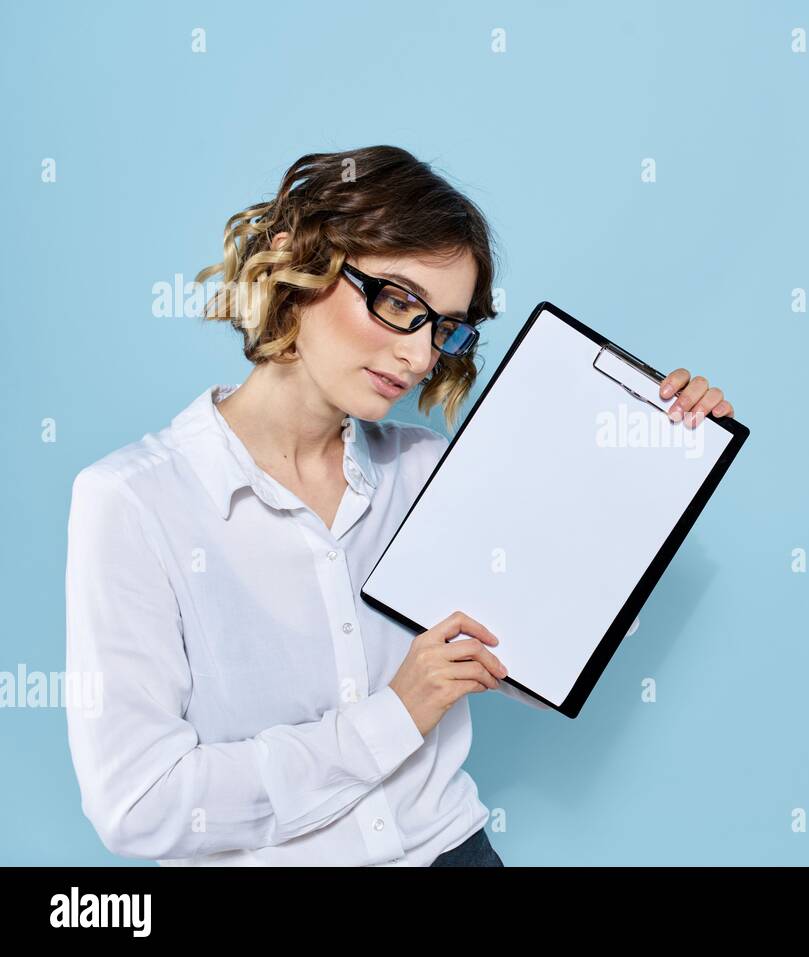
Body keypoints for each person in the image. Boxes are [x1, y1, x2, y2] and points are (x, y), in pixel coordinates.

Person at [63, 146, 735, 866]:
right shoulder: (135, 501)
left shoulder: (422, 469)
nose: (420, 358)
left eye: (443, 326)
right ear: (296, 262)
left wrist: (642, 464)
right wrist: (393, 717)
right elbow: (139, 805)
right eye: (397, 301)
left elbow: (546, 666)